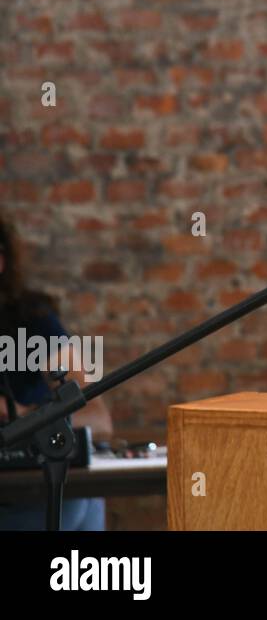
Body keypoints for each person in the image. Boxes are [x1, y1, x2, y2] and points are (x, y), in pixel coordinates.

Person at [0, 214, 112, 530]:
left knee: (79, 500)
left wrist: (22, 417)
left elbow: (96, 419)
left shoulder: (33, 320)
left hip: (35, 487)